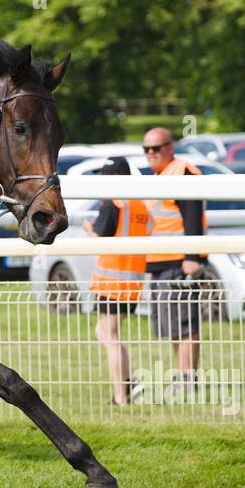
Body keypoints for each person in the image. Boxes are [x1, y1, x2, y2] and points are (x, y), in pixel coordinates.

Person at [141, 127, 207, 397]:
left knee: (185, 324)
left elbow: (193, 216)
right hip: (159, 261)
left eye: (156, 148)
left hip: (179, 262)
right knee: (171, 326)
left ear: (171, 146)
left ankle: (188, 380)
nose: (151, 154)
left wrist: (191, 257)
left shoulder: (183, 171)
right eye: (146, 149)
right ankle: (182, 377)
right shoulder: (160, 175)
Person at [84, 157, 151, 405]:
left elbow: (99, 237)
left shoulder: (113, 202)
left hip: (112, 281)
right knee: (106, 333)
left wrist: (89, 228)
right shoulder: (140, 206)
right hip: (133, 282)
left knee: (108, 336)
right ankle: (129, 382)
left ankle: (121, 396)